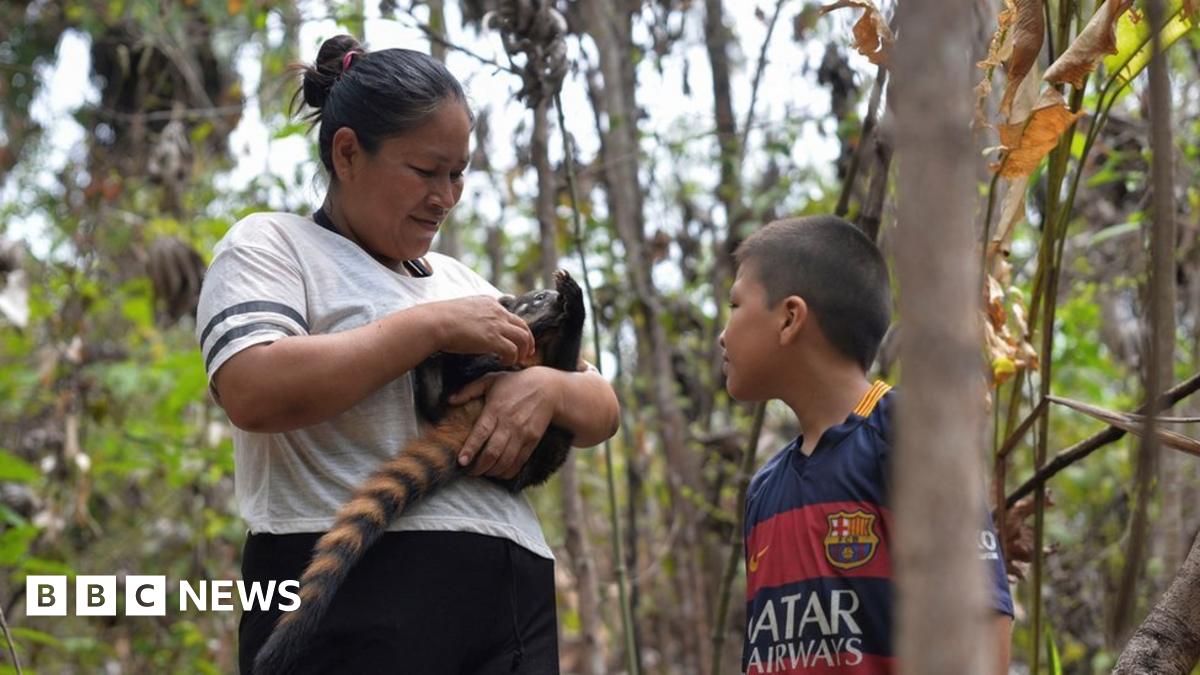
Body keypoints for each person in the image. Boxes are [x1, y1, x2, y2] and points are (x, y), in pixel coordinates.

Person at [195, 35, 619, 674]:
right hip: (347, 589)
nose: (445, 196)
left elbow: (601, 408)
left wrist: (548, 390)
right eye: (425, 171)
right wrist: (431, 327)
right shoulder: (274, 245)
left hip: (507, 599)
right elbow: (252, 389)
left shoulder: (461, 282)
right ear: (347, 153)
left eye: (458, 174)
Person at [719, 216, 1013, 674]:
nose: (723, 333)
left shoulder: (908, 435)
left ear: (790, 318)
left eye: (735, 305)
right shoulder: (764, 489)